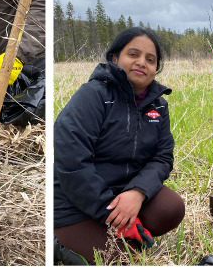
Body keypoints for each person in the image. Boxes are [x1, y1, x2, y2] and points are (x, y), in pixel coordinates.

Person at [54, 28, 185, 264]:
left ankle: (121, 231)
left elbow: (163, 157)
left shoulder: (159, 106)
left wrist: (137, 192)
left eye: (150, 59)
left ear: (156, 68)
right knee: (124, 262)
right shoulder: (93, 96)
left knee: (171, 208)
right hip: (76, 203)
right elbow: (72, 162)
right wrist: (111, 213)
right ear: (115, 58)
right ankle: (60, 244)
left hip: (125, 192)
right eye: (133, 54)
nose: (141, 63)